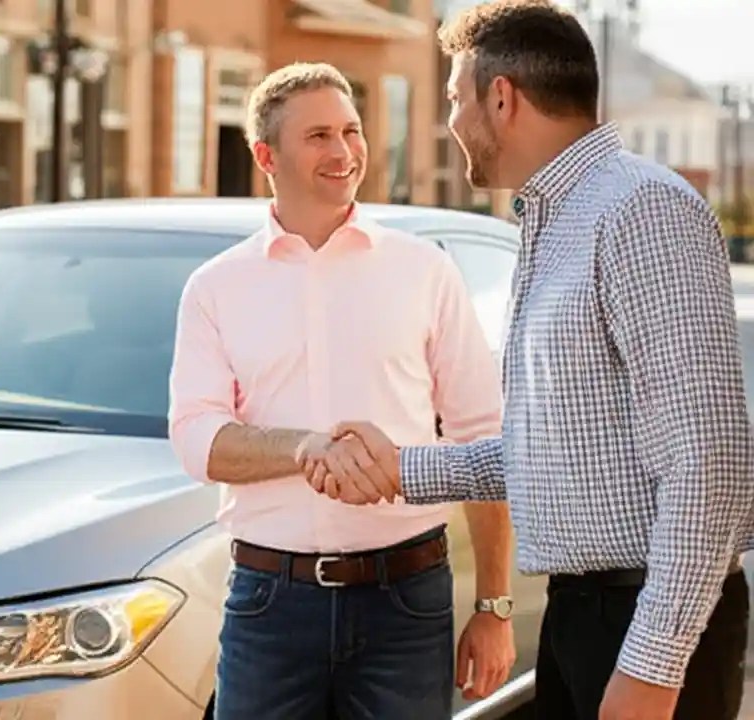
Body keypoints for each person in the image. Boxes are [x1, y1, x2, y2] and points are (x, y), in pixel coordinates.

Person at [306, 2, 754, 719]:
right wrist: (399, 468)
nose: (451, 120)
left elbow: (711, 463)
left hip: (644, 624)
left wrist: (653, 665)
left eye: (455, 98)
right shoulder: (558, 219)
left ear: (502, 97)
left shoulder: (641, 209)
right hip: (584, 613)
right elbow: (552, 454)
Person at [167, 61, 516, 720]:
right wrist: (307, 448)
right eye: (320, 135)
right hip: (270, 602)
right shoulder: (216, 288)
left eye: (352, 131)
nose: (345, 151)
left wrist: (494, 606)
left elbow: (482, 437)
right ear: (265, 154)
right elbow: (195, 439)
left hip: (406, 599)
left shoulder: (424, 270)